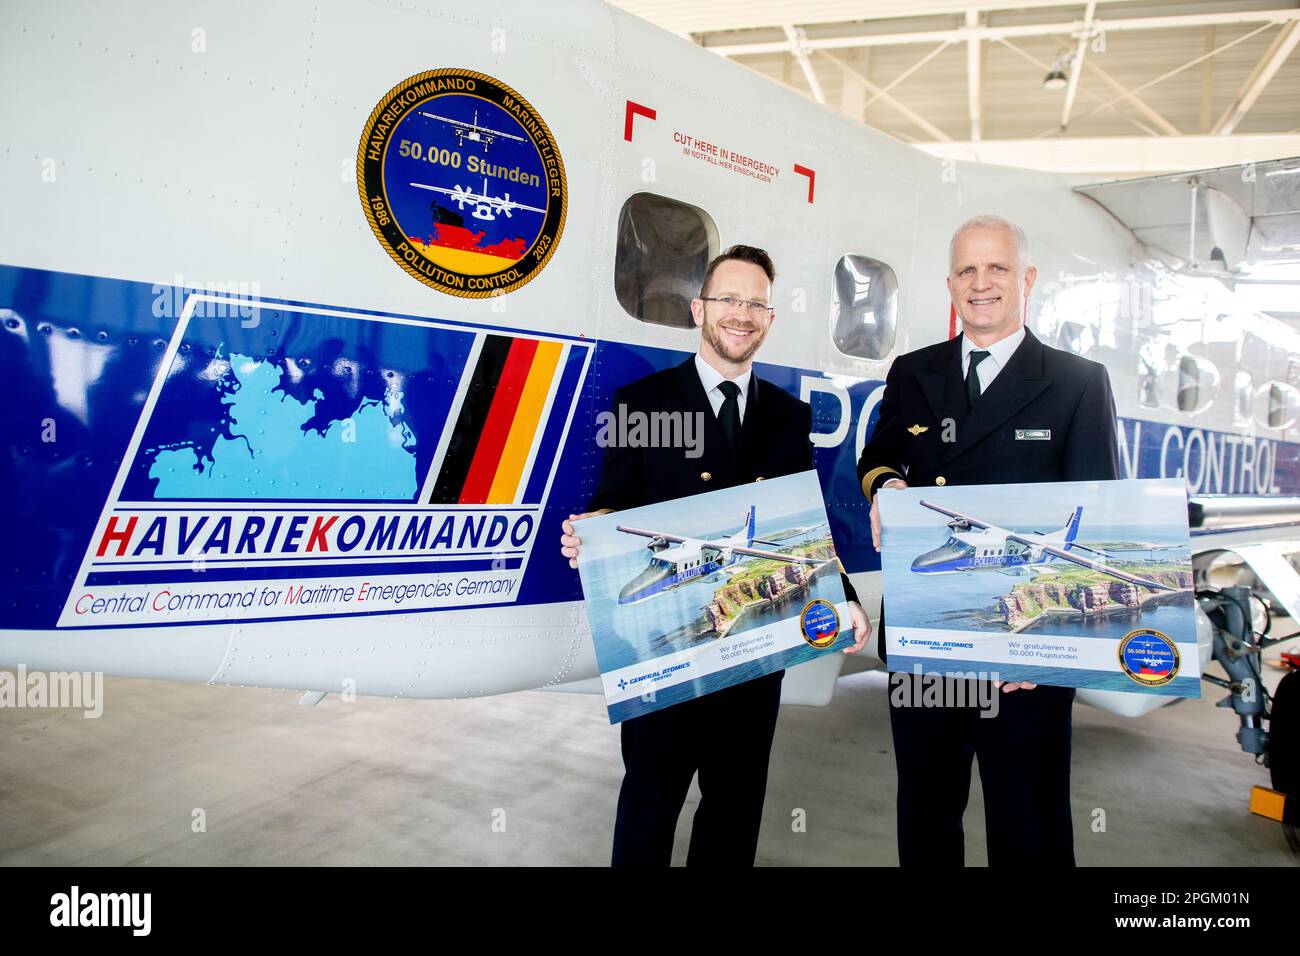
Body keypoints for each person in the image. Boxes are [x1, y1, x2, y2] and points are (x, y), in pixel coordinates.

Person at [561, 244, 871, 867]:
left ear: (769, 319)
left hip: (754, 645)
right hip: (665, 649)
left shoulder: (789, 418)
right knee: (649, 803)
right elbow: (615, 501)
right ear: (700, 309)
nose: (742, 313)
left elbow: (801, 529)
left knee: (734, 807)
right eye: (730, 299)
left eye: (757, 303)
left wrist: (849, 599)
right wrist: (594, 528)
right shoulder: (643, 403)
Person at [857, 215, 1120, 866]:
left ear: (1026, 279)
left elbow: (1098, 519)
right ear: (950, 284)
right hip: (926, 639)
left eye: (997, 268)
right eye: (967, 271)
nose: (982, 284)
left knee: (1027, 827)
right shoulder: (913, 372)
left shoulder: (1077, 382)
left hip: (1024, 653)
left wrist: (1055, 646)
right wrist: (887, 488)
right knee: (924, 816)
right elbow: (877, 456)